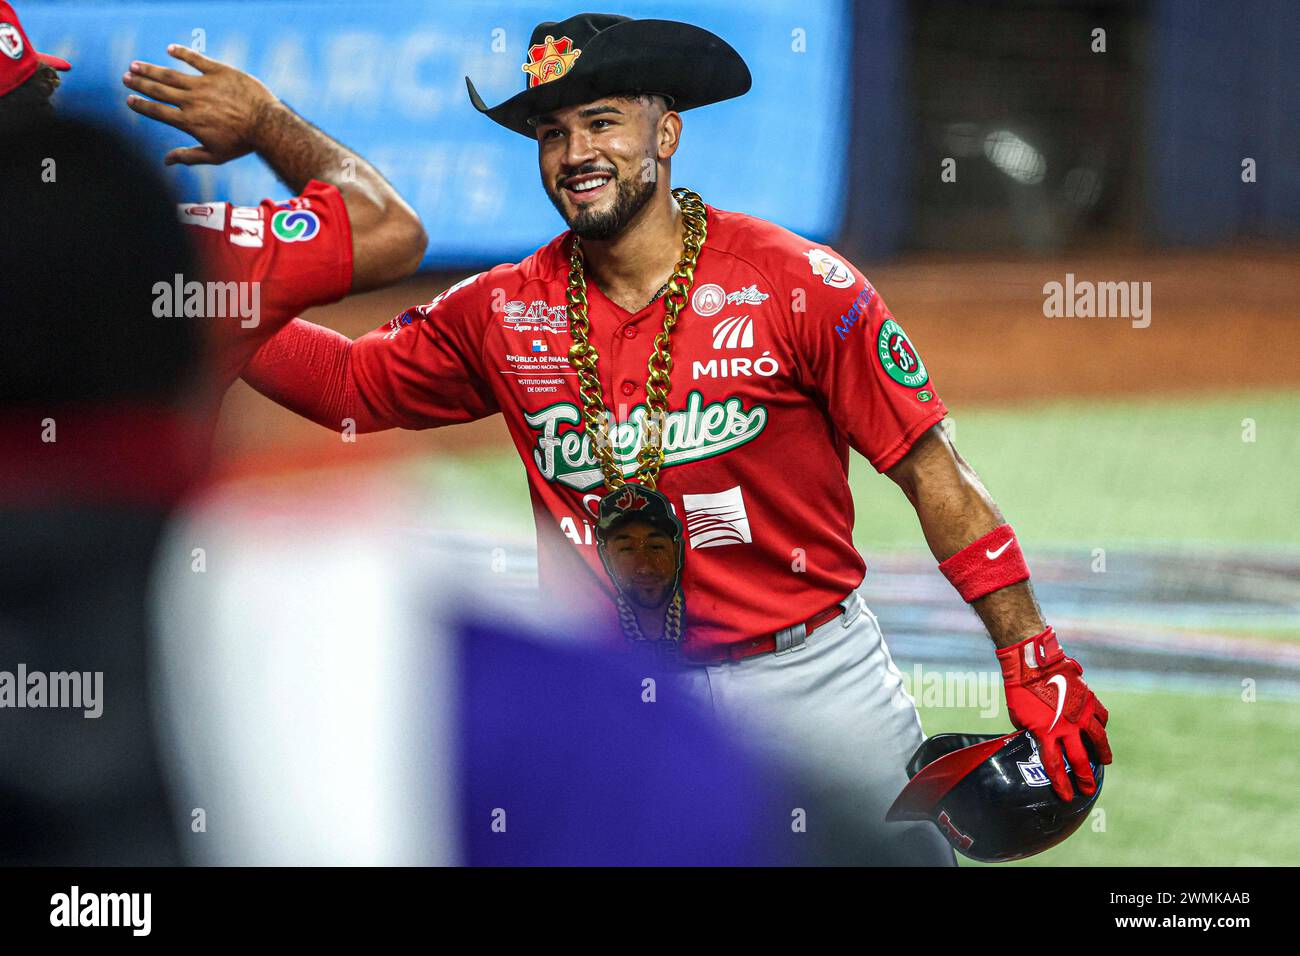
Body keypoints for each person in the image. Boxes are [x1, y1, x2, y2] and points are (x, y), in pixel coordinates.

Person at [238, 13, 1112, 863]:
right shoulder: (503, 310)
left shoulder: (797, 284)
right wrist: (210, 303)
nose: (576, 153)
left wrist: (1034, 656)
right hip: (618, 702)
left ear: (668, 134)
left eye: (602, 122)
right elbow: (350, 384)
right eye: (551, 133)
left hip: (815, 682)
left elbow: (935, 474)